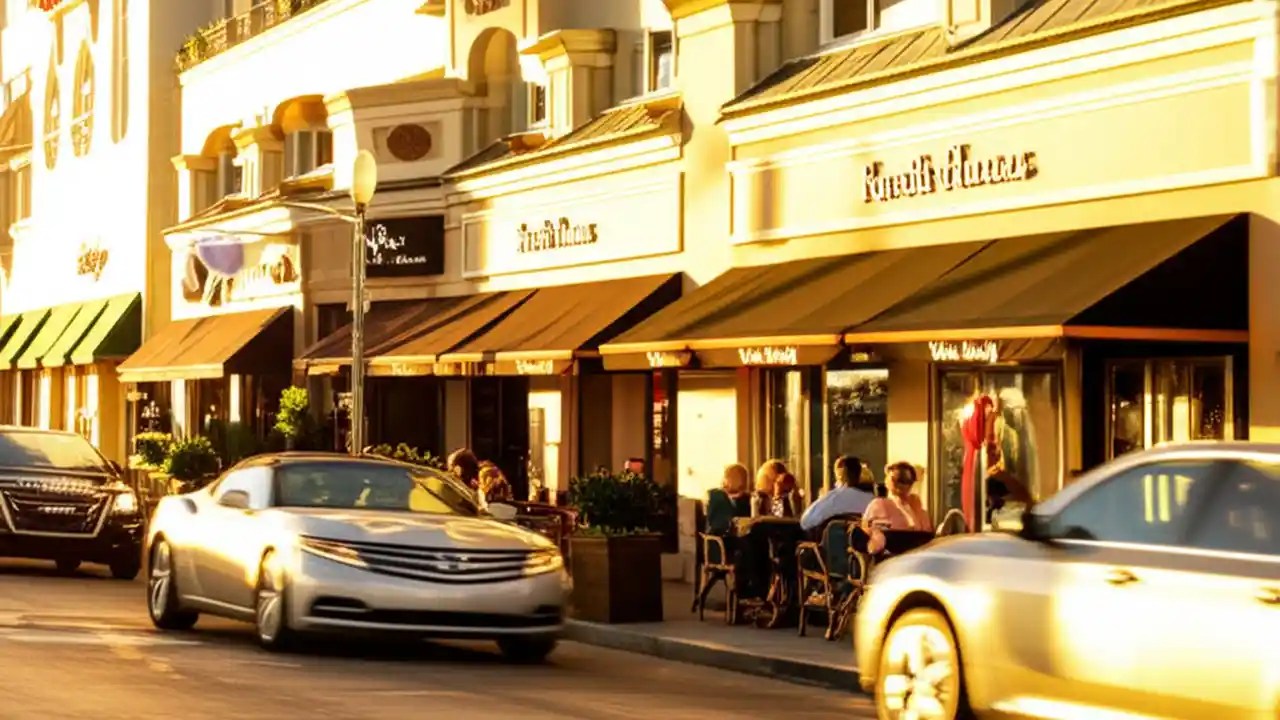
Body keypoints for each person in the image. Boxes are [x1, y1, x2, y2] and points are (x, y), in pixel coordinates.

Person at [863, 461, 934, 554]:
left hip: (918, 554)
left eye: (906, 480)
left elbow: (927, 534)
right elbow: (874, 533)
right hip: (891, 554)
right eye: (897, 479)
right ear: (888, 481)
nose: (902, 484)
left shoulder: (917, 508)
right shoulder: (879, 505)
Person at [800, 456, 876, 532]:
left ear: (844, 474)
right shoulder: (873, 502)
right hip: (863, 542)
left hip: (831, 542)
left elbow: (806, 522)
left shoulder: (833, 498)